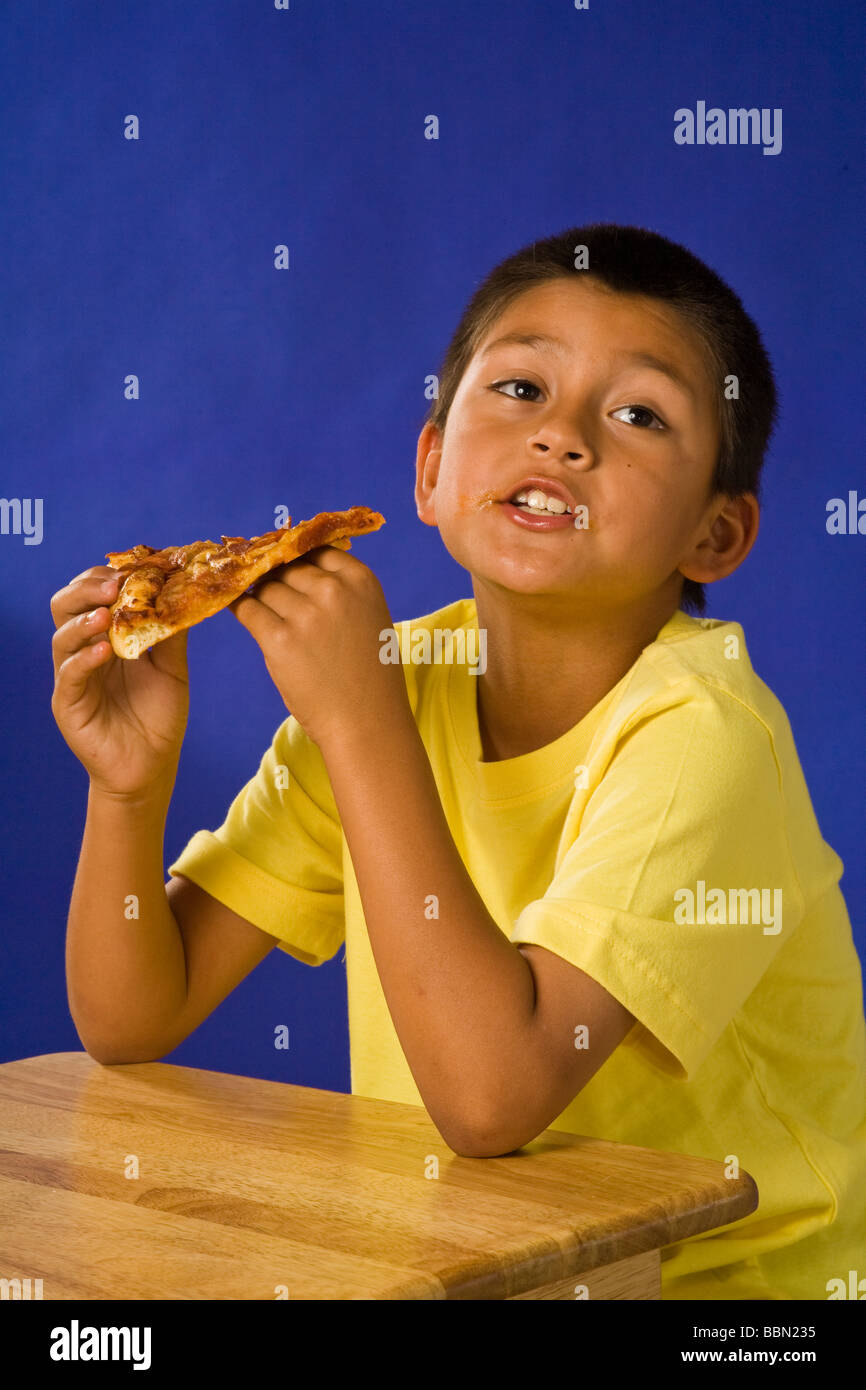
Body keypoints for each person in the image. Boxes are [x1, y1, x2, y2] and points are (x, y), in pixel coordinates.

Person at [50, 223, 866, 1301]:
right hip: (482, 1269)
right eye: (520, 387)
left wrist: (359, 727)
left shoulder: (701, 734)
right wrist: (130, 786)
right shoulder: (400, 678)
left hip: (728, 1294)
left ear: (713, 536)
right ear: (431, 469)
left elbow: (491, 1098)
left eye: (636, 414)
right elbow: (129, 1019)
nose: (562, 437)